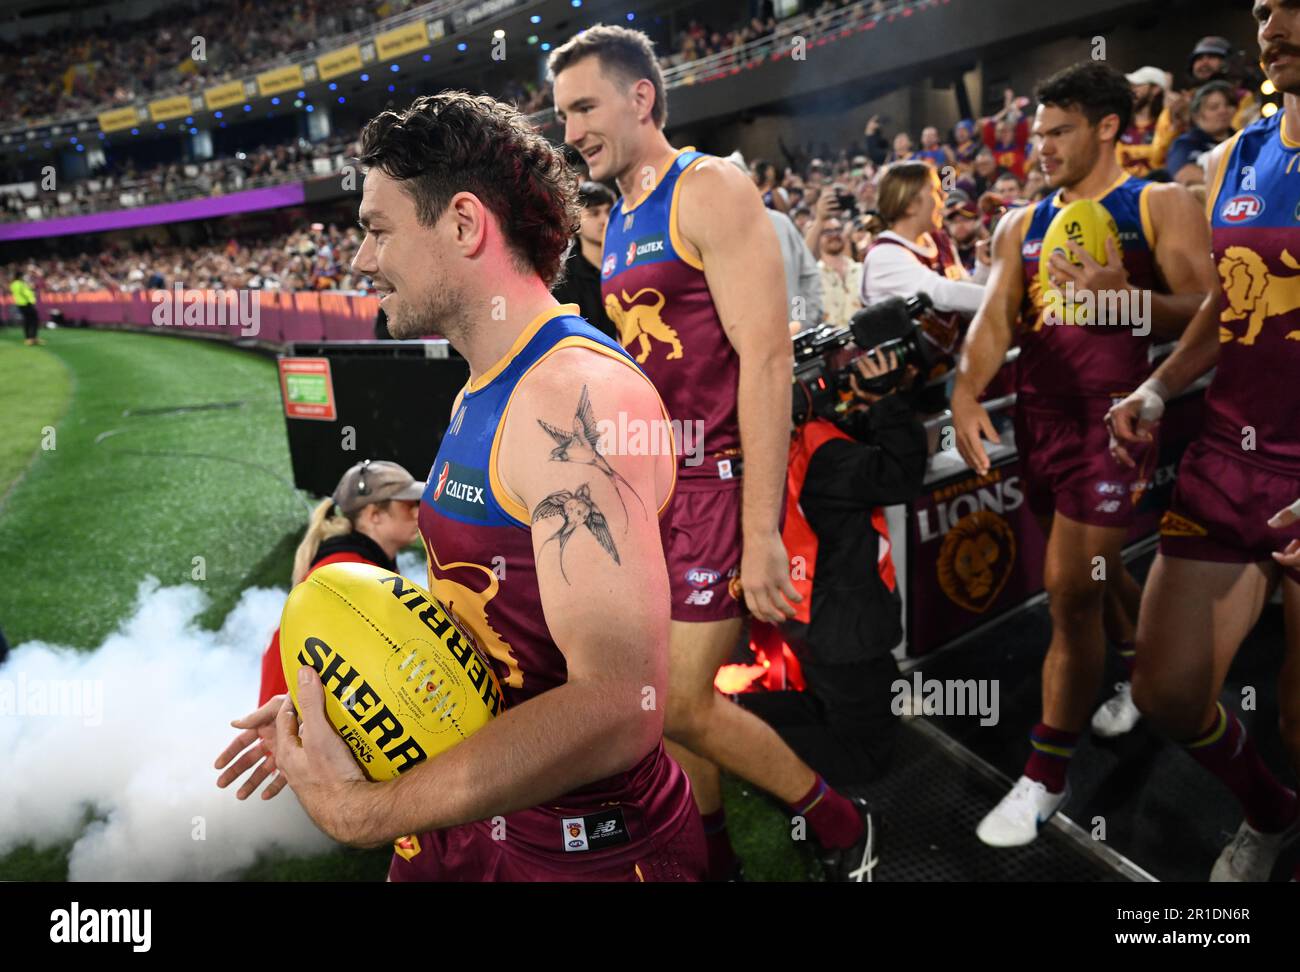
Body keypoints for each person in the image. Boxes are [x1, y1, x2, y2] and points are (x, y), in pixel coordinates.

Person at [217, 91, 704, 883]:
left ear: (466, 224)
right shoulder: (483, 386)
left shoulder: (574, 399)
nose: (362, 259)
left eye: (378, 230)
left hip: (593, 856)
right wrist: (356, 698)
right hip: (488, 820)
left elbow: (620, 709)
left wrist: (370, 810)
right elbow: (497, 620)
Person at [551, 24, 875, 882]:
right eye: (563, 113)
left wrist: (762, 529)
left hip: (720, 484)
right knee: (662, 705)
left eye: (585, 106)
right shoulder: (618, 217)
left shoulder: (711, 187)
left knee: (686, 703)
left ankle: (846, 827)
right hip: (662, 489)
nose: (572, 129)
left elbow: (767, 361)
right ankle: (715, 860)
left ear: (641, 96)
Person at [950, 61, 1216, 847]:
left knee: (1067, 589)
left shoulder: (1159, 202)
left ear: (1108, 127)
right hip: (1040, 423)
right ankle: (1137, 663)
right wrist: (965, 393)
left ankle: (1045, 778)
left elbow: (1207, 316)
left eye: (1060, 132)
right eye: (1037, 134)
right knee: (1096, 573)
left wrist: (1121, 296)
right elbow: (993, 322)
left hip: (1118, 422)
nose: (1041, 148)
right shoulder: (1018, 223)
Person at [1106, 0, 1300, 882]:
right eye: (1264, 7)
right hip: (1230, 458)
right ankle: (1271, 812)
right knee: (1169, 690)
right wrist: (1156, 384)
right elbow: (1235, 298)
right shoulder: (1243, 154)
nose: (1274, 22)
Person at [738, 347, 926, 793]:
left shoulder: (788, 448)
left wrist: (867, 404)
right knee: (866, 754)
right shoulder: (827, 459)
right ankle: (743, 743)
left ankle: (736, 714)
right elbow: (902, 472)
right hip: (844, 627)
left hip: (816, 617)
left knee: (834, 707)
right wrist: (885, 400)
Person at [255, 460, 424, 706]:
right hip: (293, 729)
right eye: (409, 505)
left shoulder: (360, 563)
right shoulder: (349, 575)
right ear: (374, 515)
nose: (419, 512)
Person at [860, 161, 988, 373]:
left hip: (952, 372)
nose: (944, 198)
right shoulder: (883, 255)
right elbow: (942, 294)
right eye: (936, 192)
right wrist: (1008, 297)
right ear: (910, 205)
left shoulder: (939, 241)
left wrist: (983, 267)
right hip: (906, 389)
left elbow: (966, 296)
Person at [552, 180, 620, 340]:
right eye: (594, 213)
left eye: (609, 211)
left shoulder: (630, 261)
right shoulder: (564, 279)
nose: (605, 220)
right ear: (575, 222)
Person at [1165, 80, 1237, 185]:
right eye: (1214, 107)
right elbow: (1185, 176)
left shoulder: (1244, 140)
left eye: (1228, 105)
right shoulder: (1185, 144)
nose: (1223, 111)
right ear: (1196, 114)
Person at [817, 215, 863, 329]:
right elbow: (798, 313)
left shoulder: (861, 270)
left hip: (863, 343)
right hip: (828, 344)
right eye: (827, 232)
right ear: (817, 238)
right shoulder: (811, 276)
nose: (834, 235)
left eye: (838, 230)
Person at [10, 269, 40, 346]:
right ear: (20, 276)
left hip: (20, 304)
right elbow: (25, 292)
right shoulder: (20, 284)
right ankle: (32, 338)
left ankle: (28, 338)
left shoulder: (13, 284)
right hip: (26, 303)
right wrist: (31, 299)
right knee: (34, 320)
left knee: (27, 320)